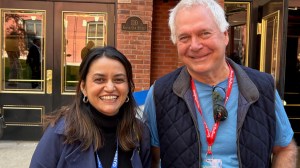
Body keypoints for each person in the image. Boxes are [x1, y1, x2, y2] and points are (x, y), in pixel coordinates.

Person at [143, 0, 298, 168]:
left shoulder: (262, 87)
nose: (194, 45)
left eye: (204, 33)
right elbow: (151, 157)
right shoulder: (160, 93)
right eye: (184, 37)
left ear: (225, 35)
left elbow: (285, 149)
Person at [30, 46, 151, 168]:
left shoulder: (140, 133)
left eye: (118, 80)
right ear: (83, 87)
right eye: (99, 79)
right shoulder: (60, 133)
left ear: (128, 87)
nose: (110, 88)